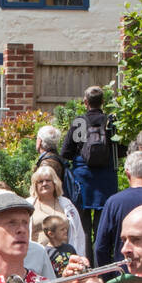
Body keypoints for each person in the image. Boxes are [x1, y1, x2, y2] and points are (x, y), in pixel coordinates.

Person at [60, 86, 118, 253]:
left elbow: (66, 152)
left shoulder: (80, 122)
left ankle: (87, 264)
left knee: (83, 226)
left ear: (85, 102)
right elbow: (119, 150)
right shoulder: (110, 122)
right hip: (106, 179)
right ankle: (102, 262)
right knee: (101, 226)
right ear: (103, 102)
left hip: (82, 178)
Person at [93, 151, 142, 266]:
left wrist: (109, 278)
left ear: (127, 174)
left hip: (124, 275)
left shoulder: (113, 202)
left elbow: (100, 247)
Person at [27, 165, 86, 257]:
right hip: (37, 258)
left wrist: (81, 257)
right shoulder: (28, 205)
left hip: (65, 257)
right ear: (35, 185)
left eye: (48, 180)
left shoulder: (67, 204)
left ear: (55, 183)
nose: (44, 184)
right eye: (40, 181)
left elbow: (78, 233)